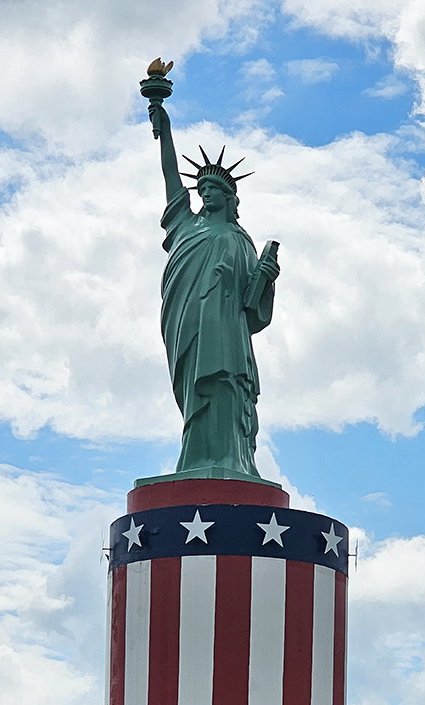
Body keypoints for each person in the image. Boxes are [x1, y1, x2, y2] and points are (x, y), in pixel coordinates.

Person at [149, 100, 280, 478]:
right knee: (195, 389)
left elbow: (251, 307)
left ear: (229, 196)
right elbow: (170, 176)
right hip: (187, 320)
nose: (205, 194)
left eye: (213, 189)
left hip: (226, 329)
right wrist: (165, 129)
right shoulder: (186, 227)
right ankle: (196, 459)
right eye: (202, 188)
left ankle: (229, 460)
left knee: (224, 385)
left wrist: (266, 278)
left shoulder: (240, 240)